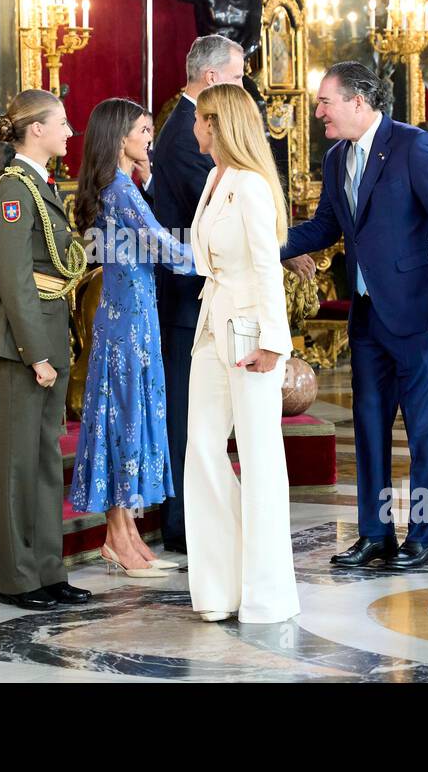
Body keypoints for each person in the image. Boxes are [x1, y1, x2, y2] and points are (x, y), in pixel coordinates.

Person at [281, 61, 428, 570]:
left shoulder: (416, 146)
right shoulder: (337, 155)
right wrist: (264, 241)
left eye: (325, 102)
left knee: (424, 430)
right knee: (368, 427)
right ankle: (375, 535)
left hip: (420, 316)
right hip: (366, 319)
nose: (318, 111)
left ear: (358, 102)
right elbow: (324, 227)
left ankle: (424, 538)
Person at [185, 83, 299, 623]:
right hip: (211, 328)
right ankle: (218, 588)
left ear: (218, 123)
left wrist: (274, 343)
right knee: (203, 448)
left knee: (259, 457)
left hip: (251, 333)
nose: (194, 127)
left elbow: (266, 270)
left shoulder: (252, 185)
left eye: (201, 119)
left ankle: (268, 594)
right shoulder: (213, 179)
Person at [0, 89, 91, 611]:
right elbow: (16, 278)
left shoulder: (42, 184)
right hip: (22, 348)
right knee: (16, 465)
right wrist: (35, 353)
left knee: (46, 461)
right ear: (36, 130)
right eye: (62, 123)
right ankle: (19, 579)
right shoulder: (12, 188)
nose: (70, 131)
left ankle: (49, 569)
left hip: (50, 338)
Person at [69, 98, 195, 575]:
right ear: (120, 136)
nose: (148, 137)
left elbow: (153, 225)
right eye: (143, 130)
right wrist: (218, 260)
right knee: (123, 423)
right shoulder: (119, 191)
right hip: (126, 325)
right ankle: (119, 539)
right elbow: (162, 245)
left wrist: (149, 169)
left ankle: (125, 536)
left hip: (134, 316)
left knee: (129, 421)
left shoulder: (125, 185)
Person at [150, 33, 246, 553]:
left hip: (198, 294)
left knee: (200, 411)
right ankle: (181, 524)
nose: (243, 86)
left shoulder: (193, 132)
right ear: (211, 79)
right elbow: (216, 214)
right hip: (187, 297)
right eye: (236, 76)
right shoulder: (187, 139)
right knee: (186, 413)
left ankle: (193, 518)